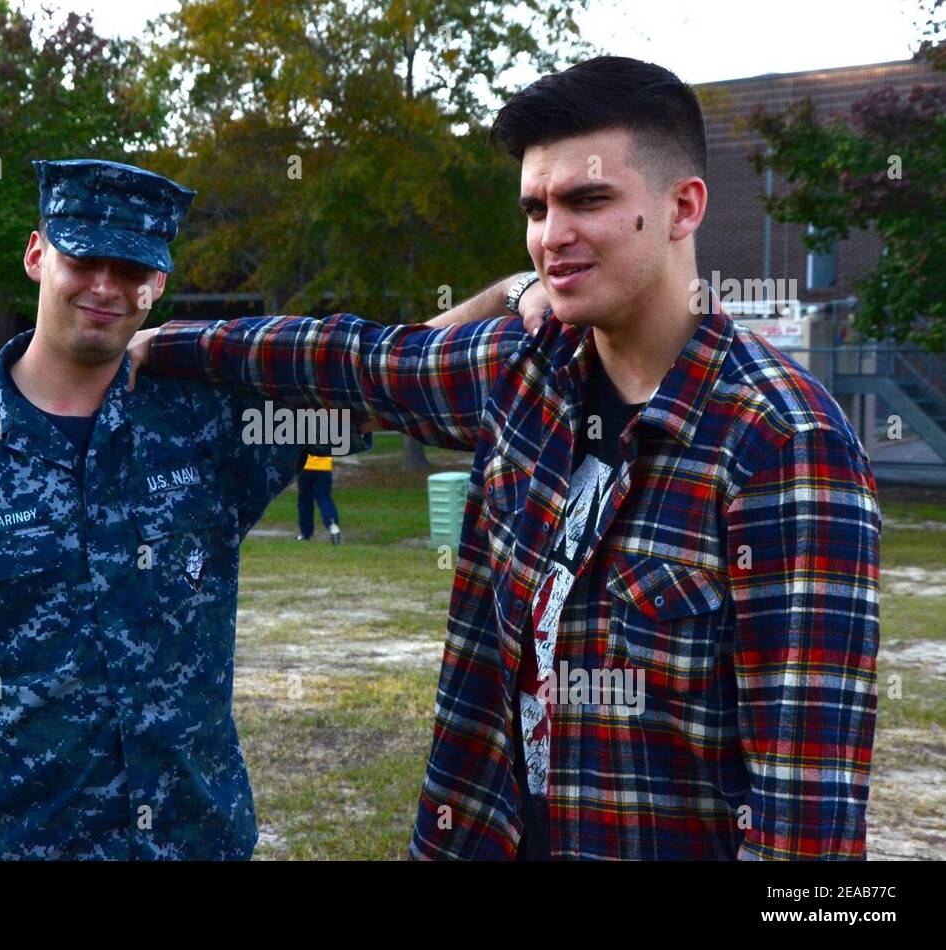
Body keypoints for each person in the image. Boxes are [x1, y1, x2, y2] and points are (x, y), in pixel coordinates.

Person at [130, 56, 882, 860]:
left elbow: (807, 823)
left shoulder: (783, 446)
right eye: (536, 207)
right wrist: (164, 344)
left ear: (683, 207)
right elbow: (353, 360)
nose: (551, 235)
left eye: (588, 200)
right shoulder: (526, 374)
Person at [0, 158, 370, 860]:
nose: (105, 286)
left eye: (132, 267)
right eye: (82, 258)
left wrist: (514, 299)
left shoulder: (209, 428)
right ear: (37, 256)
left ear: (158, 282)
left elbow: (389, 370)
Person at [295, 450, 341, 543]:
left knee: (305, 501)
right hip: (324, 468)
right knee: (324, 498)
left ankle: (305, 532)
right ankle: (332, 525)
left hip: (305, 467)